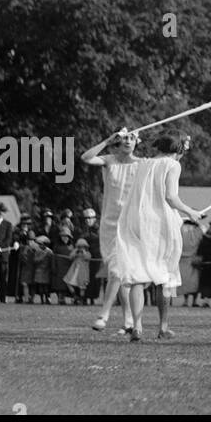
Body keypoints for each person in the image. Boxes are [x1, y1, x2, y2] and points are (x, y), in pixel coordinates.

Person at [109, 129, 205, 341]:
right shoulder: (172, 165)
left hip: (136, 222)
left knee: (137, 276)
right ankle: (163, 327)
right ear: (178, 148)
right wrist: (191, 212)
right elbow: (171, 197)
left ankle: (137, 326)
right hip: (160, 224)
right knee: (164, 276)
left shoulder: (144, 163)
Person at [80, 127, 141, 331]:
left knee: (116, 270)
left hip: (131, 224)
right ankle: (128, 321)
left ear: (136, 143)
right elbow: (86, 157)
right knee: (119, 272)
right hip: (109, 225)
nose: (127, 141)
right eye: (124, 137)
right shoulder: (109, 160)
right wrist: (106, 141)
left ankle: (103, 315)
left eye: (132, 138)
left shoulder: (142, 164)